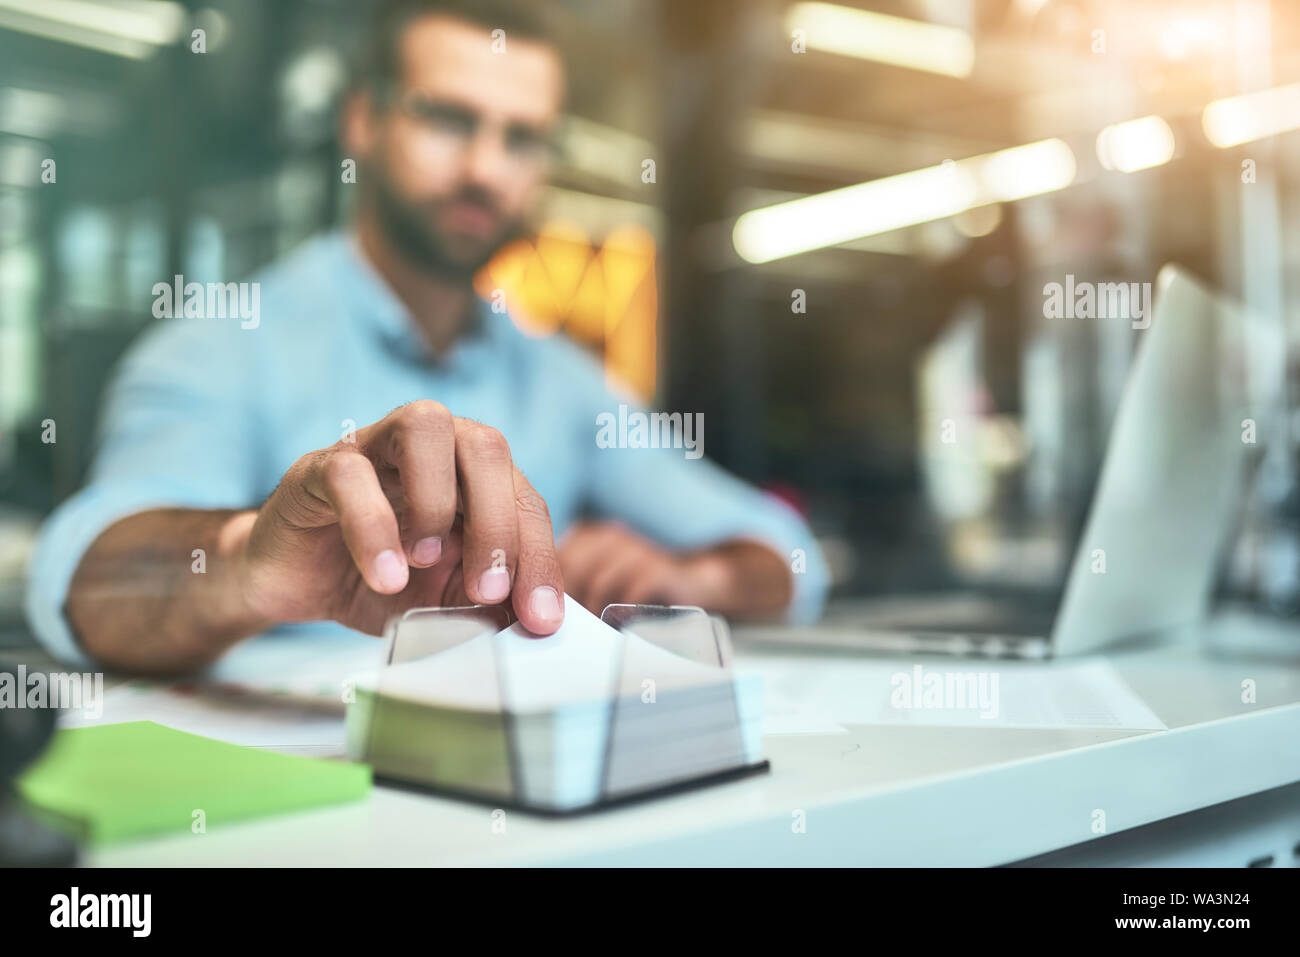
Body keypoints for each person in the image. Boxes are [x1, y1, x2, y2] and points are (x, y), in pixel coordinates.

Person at [25, 0, 828, 674]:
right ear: (363, 122)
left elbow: (791, 554)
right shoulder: (221, 345)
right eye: (449, 119)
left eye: (521, 138)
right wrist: (246, 564)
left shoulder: (557, 376)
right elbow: (81, 580)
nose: (485, 167)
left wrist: (694, 575)